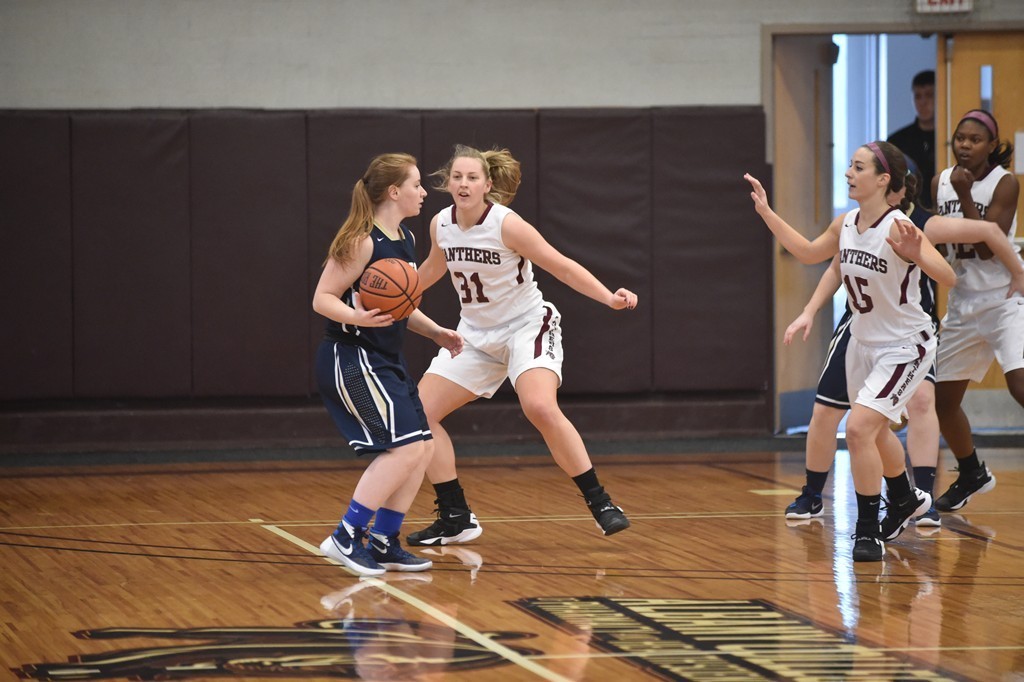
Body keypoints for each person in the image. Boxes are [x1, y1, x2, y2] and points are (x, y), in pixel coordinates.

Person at [404, 144, 639, 546]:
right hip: (475, 335)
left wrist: (607, 297)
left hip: (525, 326)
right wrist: (393, 296)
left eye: (472, 177)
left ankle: (600, 503)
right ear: (448, 183)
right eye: (457, 177)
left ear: (487, 184)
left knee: (540, 406)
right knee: (419, 417)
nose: (463, 184)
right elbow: (432, 269)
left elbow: (559, 265)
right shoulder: (441, 224)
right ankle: (456, 515)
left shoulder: (507, 224)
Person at [745, 140, 957, 562]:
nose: (848, 173)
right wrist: (768, 214)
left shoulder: (900, 227)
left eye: (858, 167)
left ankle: (867, 531)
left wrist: (919, 254)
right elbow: (807, 252)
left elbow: (948, 275)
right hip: (862, 342)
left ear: (883, 180)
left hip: (904, 346)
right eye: (849, 166)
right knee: (874, 433)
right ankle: (901, 497)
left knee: (858, 429)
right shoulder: (846, 223)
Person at [313, 153, 464, 576]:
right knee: (405, 448)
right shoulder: (362, 240)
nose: (422, 192)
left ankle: (383, 541)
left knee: (424, 446)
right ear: (394, 192)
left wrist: (436, 331)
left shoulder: (406, 239)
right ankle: (346, 535)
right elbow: (322, 297)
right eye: (416, 184)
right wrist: (356, 316)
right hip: (352, 357)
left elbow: (401, 304)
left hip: (386, 358)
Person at [931, 109, 1024, 513]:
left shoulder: (1005, 183)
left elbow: (988, 244)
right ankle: (971, 472)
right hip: (964, 302)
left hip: (1006, 299)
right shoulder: (939, 182)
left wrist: (965, 195)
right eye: (960, 138)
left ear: (991, 145)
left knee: (1020, 387)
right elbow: (930, 240)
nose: (965, 146)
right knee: (942, 401)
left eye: (974, 140)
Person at [888, 70, 936, 210]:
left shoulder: (949, 140)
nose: (923, 102)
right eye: (918, 96)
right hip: (907, 210)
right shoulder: (897, 141)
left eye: (929, 95)